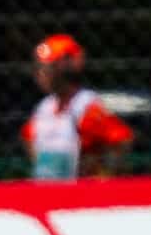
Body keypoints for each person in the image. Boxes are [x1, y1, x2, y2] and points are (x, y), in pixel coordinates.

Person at [24, 33, 133, 180]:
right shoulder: (45, 107)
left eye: (48, 67)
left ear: (65, 68)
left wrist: (105, 175)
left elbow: (122, 140)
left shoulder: (85, 106)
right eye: (38, 68)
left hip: (76, 194)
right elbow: (28, 137)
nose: (40, 74)